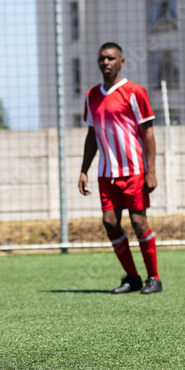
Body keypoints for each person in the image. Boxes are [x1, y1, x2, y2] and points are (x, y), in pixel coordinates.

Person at [77, 42, 162, 294]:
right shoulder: (91, 96)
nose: (106, 62)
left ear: (121, 62)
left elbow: (148, 134)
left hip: (134, 170)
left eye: (111, 58)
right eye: (102, 58)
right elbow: (92, 136)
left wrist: (152, 170)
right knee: (110, 222)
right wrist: (84, 170)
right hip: (106, 173)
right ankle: (132, 278)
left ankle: (154, 278)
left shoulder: (135, 92)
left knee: (138, 222)